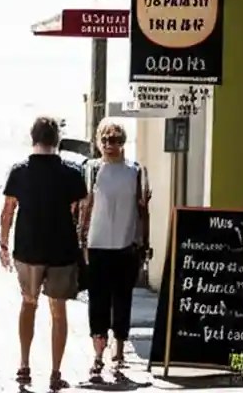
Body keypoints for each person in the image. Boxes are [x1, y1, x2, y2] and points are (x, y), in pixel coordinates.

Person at [0, 116, 88, 391]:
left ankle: (24, 365)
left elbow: (8, 211)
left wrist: (3, 244)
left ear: (33, 138)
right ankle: (55, 372)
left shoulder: (19, 171)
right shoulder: (72, 172)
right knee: (58, 312)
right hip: (62, 250)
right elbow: (81, 210)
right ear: (57, 139)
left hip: (28, 249)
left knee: (28, 303)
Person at [78, 120, 151, 381]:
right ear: (99, 142)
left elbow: (143, 211)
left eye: (116, 140)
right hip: (97, 244)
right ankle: (98, 354)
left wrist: (145, 243)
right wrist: (81, 240)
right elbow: (84, 206)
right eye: (106, 140)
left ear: (123, 143)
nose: (110, 145)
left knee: (122, 300)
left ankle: (119, 352)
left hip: (126, 245)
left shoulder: (135, 171)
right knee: (97, 301)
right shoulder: (92, 169)